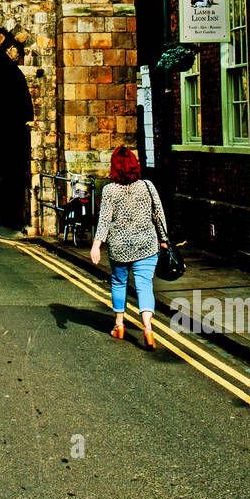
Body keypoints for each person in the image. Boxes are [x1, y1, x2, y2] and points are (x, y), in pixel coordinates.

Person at [89, 146, 169, 349]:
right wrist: (164, 239)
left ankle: (119, 325)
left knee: (118, 283)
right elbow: (158, 215)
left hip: (119, 246)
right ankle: (148, 329)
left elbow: (104, 220)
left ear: (114, 167)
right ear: (134, 164)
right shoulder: (147, 186)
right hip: (147, 245)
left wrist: (96, 245)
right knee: (144, 285)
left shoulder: (109, 190)